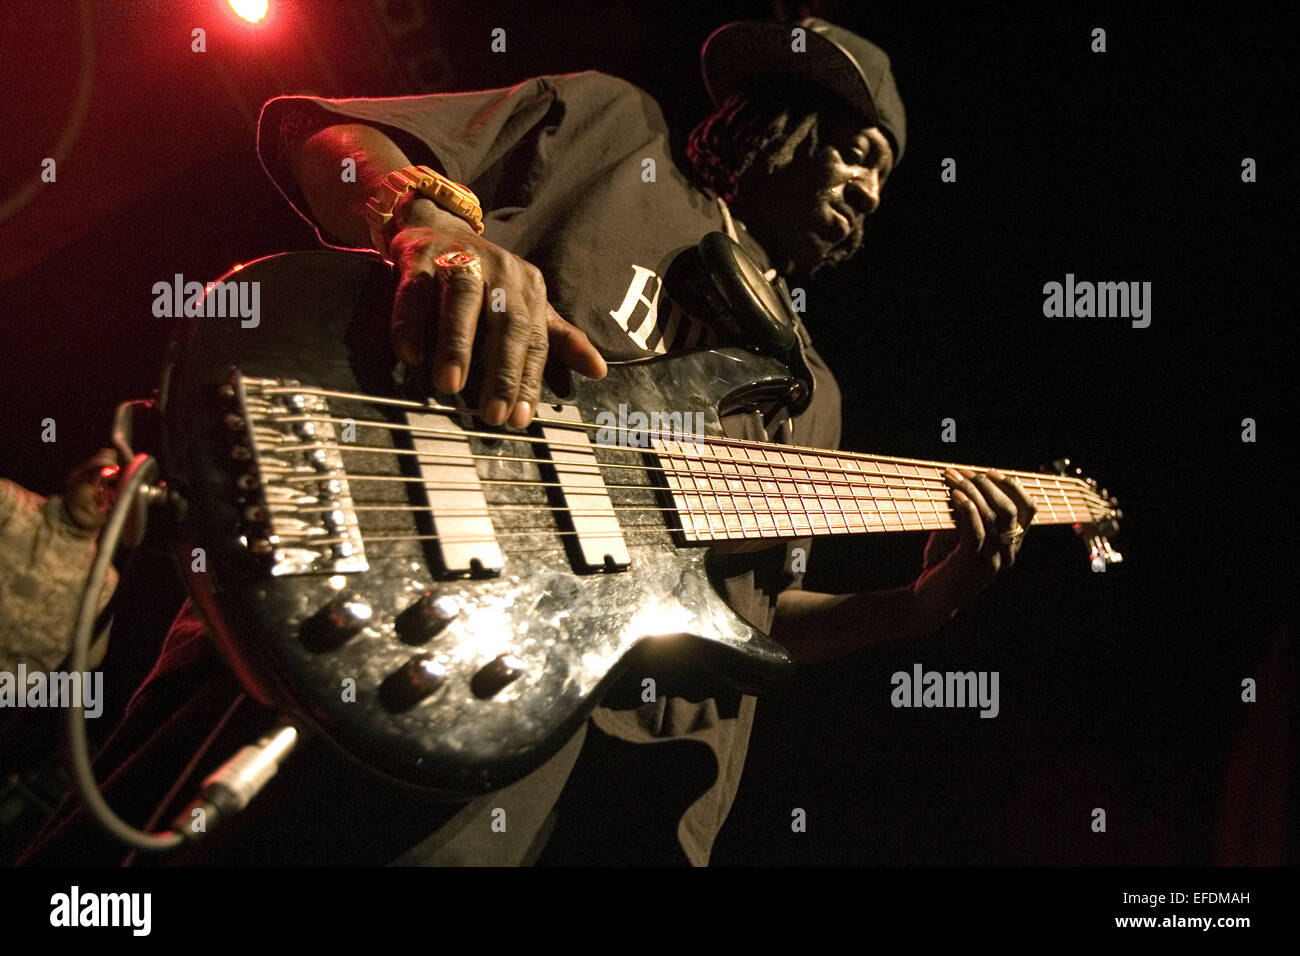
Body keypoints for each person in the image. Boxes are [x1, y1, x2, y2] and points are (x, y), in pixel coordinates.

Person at [21, 18, 1035, 867]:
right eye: (857, 153)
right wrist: (434, 227)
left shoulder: (812, 397)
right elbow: (324, 138)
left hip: (606, 803)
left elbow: (755, 621)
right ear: (782, 119)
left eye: (885, 183)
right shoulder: (614, 131)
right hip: (378, 608)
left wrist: (908, 607)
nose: (866, 194)